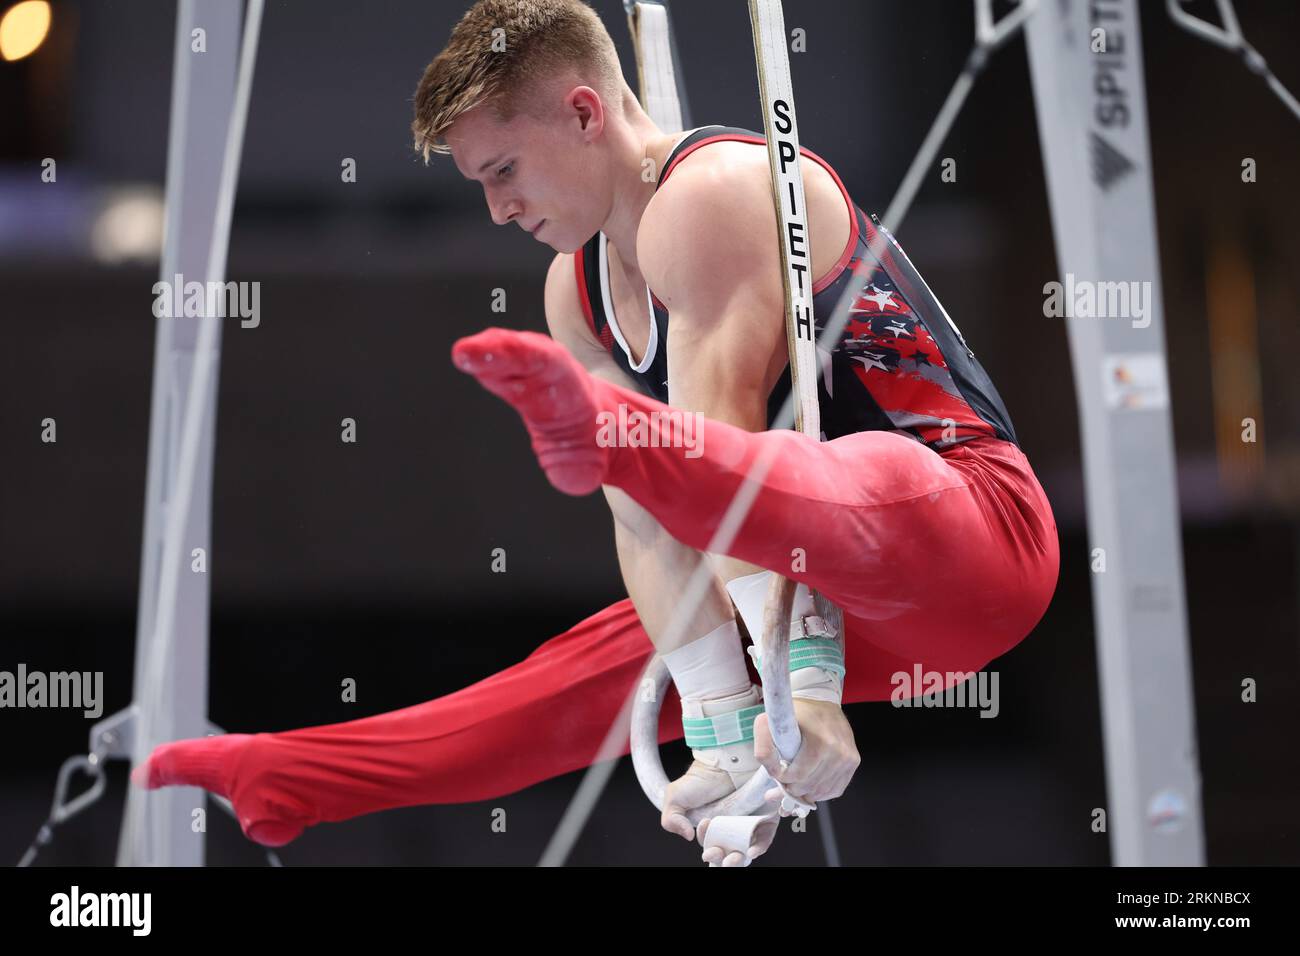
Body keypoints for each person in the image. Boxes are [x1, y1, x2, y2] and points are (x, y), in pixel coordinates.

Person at [135, 0, 1058, 866]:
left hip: (966, 532)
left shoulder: (719, 190)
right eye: (480, 184)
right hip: (861, 615)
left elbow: (724, 451)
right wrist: (723, 723)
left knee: (818, 466)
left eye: (504, 171)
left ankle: (608, 431)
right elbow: (650, 529)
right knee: (579, 679)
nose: (498, 209)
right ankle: (290, 779)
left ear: (584, 114)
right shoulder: (572, 297)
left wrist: (803, 684)